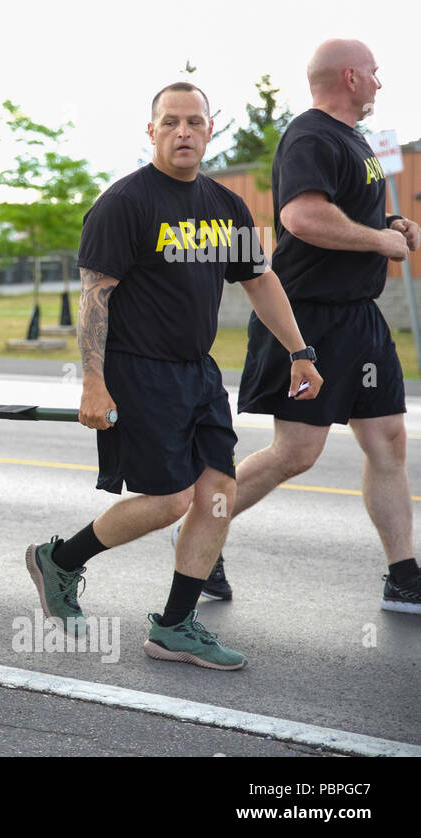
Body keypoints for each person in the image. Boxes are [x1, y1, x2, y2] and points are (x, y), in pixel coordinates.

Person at [25, 82, 322, 671]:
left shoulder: (227, 205)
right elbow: (95, 297)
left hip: (199, 373)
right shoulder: (125, 202)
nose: (183, 131)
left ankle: (174, 626)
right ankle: (60, 559)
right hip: (136, 370)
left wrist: (300, 350)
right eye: (170, 122)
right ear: (152, 132)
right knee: (168, 500)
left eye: (194, 121)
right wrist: (92, 381)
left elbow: (260, 281)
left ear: (210, 130)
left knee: (217, 492)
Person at [231, 40, 421, 613]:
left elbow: (338, 211)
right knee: (297, 452)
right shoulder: (311, 134)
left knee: (387, 439)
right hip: (307, 315)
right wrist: (378, 240)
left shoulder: (353, 140)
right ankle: (199, 529)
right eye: (374, 73)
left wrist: (387, 223)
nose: (380, 83)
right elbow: (301, 216)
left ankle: (403, 576)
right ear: (350, 76)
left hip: (359, 316)